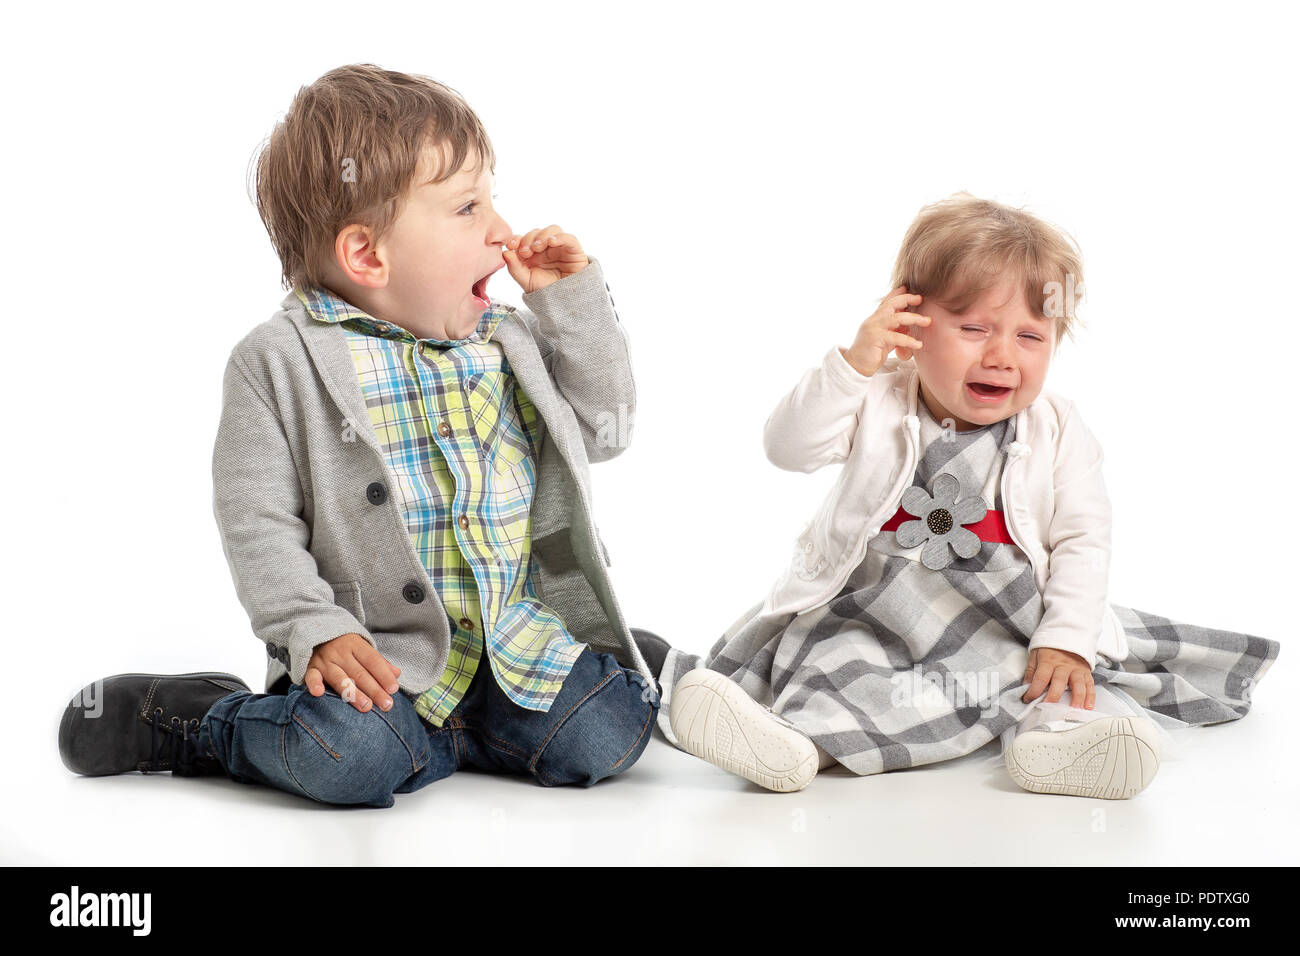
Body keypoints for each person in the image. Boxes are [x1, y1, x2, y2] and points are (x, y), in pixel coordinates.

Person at [58, 64, 661, 808]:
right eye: (469, 207)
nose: (503, 230)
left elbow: (606, 430)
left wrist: (573, 305)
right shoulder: (276, 363)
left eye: (493, 197)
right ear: (368, 255)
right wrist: (313, 629)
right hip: (384, 666)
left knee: (611, 733)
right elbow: (258, 522)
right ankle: (203, 724)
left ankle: (598, 672)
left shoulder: (506, 338)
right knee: (343, 757)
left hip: (511, 650)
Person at [655, 193, 1279, 797]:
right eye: (974, 328)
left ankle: (1060, 746)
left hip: (1005, 622)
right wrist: (855, 363)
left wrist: (1064, 637)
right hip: (875, 615)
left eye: (1031, 337)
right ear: (911, 323)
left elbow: (1083, 540)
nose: (1003, 356)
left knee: (1046, 680)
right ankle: (795, 747)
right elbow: (787, 448)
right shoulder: (876, 396)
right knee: (841, 673)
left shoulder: (1057, 429)